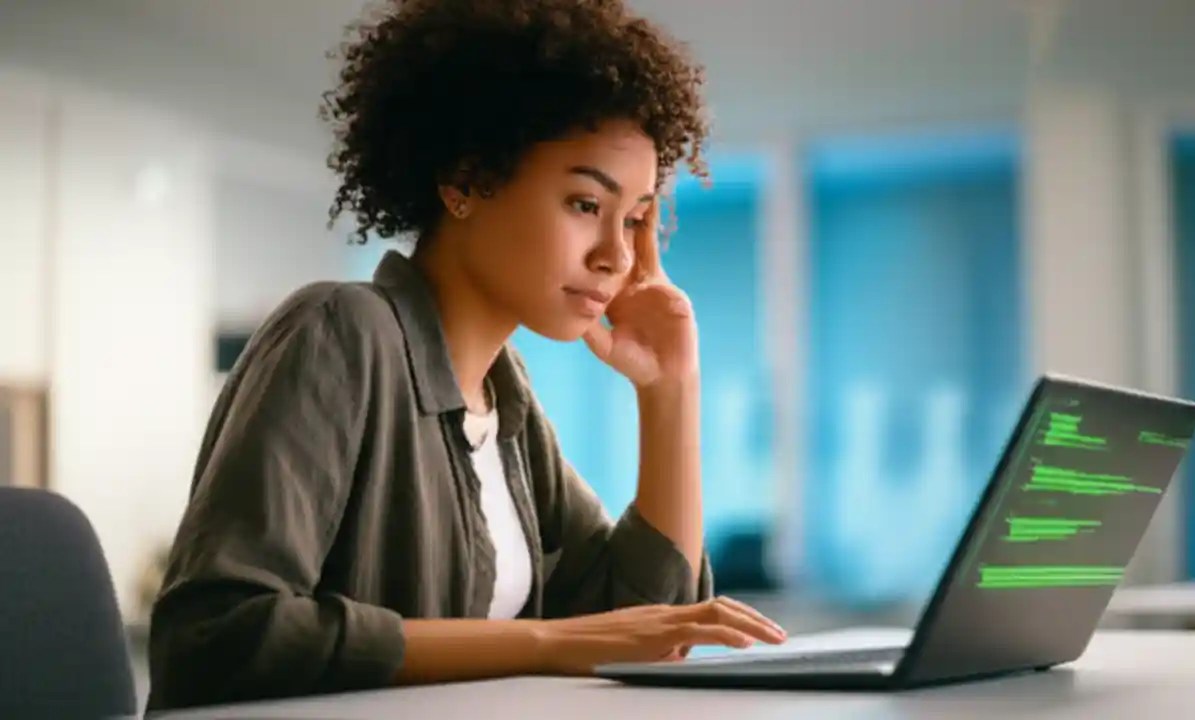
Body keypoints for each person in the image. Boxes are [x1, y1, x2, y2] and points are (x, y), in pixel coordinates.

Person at [146, 0, 787, 710]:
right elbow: (218, 637)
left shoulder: (505, 398)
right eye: (584, 203)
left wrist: (670, 391)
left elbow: (650, 625)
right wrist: (548, 645)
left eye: (635, 219)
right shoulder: (340, 332)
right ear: (463, 180)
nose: (615, 256)